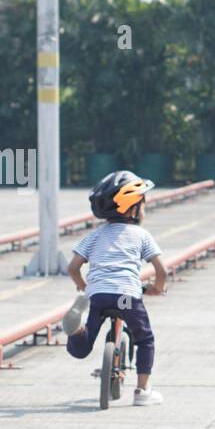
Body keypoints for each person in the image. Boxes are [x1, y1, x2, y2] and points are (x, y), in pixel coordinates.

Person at [61, 170, 167, 406]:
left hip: (98, 295)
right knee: (145, 338)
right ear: (132, 208)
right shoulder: (141, 235)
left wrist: (84, 287)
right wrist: (157, 287)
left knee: (85, 344)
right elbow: (161, 271)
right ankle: (142, 392)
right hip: (126, 296)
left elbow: (73, 267)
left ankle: (76, 330)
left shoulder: (95, 235)